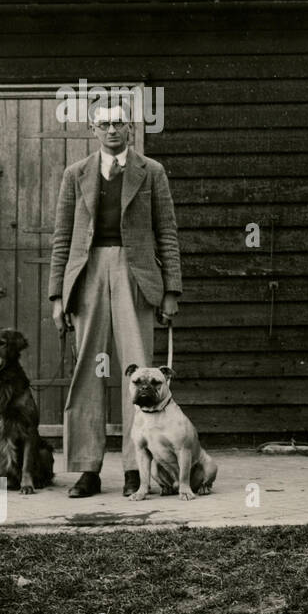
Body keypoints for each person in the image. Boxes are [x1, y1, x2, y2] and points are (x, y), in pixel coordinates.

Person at [49, 104, 182, 497]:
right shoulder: (76, 174)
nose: (112, 130)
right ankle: (87, 469)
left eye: (118, 123)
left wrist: (170, 289)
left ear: (130, 127)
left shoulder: (151, 171)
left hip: (135, 274)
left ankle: (133, 469)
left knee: (138, 372)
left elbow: (168, 232)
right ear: (93, 128)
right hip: (88, 274)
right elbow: (61, 237)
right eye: (103, 124)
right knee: (89, 371)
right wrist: (58, 296)